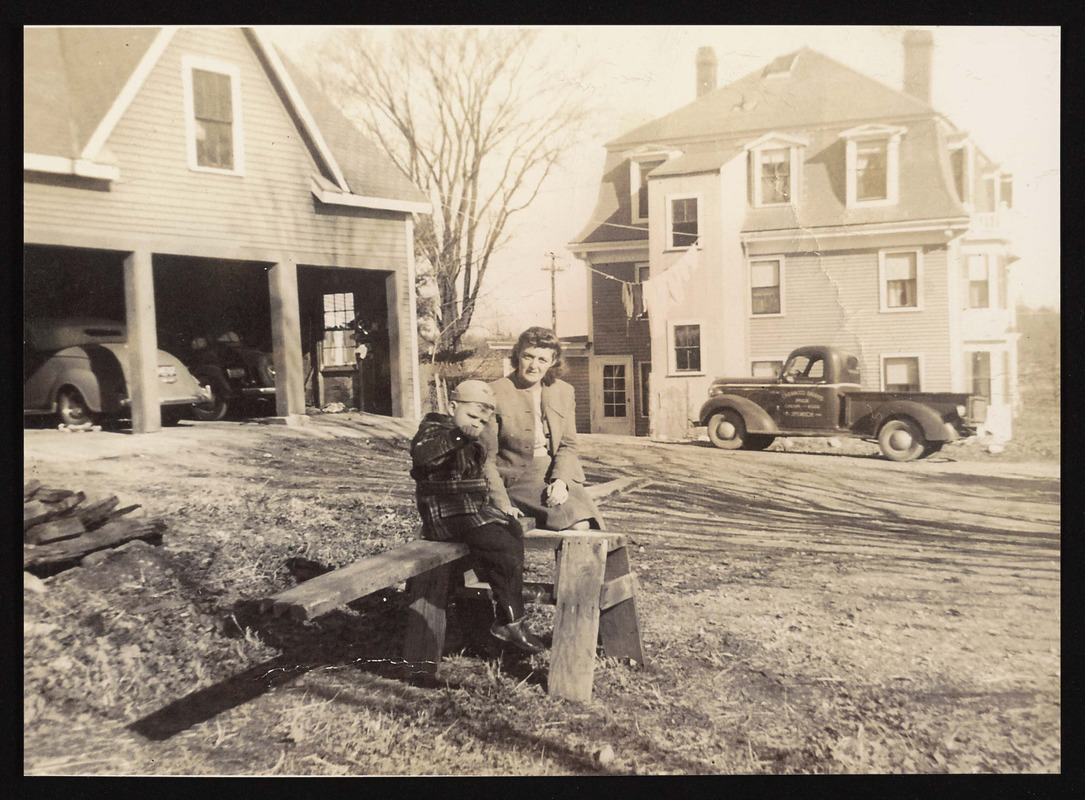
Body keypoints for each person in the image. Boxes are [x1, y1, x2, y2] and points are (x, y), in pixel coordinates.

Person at [409, 379, 546, 654]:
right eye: (471, 416)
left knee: (511, 530)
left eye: (482, 422)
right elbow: (424, 456)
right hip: (444, 515)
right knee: (499, 544)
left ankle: (508, 590)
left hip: (467, 512)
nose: (476, 424)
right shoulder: (434, 429)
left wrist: (501, 506)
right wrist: (459, 436)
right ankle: (510, 619)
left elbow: (480, 472)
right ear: (452, 406)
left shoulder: (473, 442)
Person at [482, 327, 602, 531]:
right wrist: (501, 502)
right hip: (516, 477)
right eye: (528, 357)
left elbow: (568, 444)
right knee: (579, 524)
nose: (533, 366)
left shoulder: (563, 391)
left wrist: (562, 480)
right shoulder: (495, 391)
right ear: (517, 355)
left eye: (542, 360)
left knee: (593, 524)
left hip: (556, 471)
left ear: (553, 362)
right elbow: (485, 458)